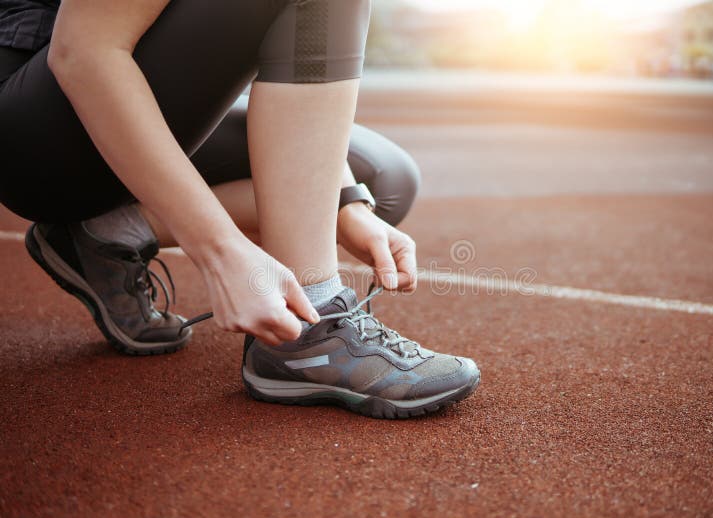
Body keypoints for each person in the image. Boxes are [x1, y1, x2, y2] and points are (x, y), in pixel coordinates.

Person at [0, 0, 480, 418]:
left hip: (120, 93)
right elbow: (82, 52)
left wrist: (345, 203)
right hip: (34, 128)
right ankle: (309, 330)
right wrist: (220, 251)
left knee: (382, 181)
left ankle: (108, 231)